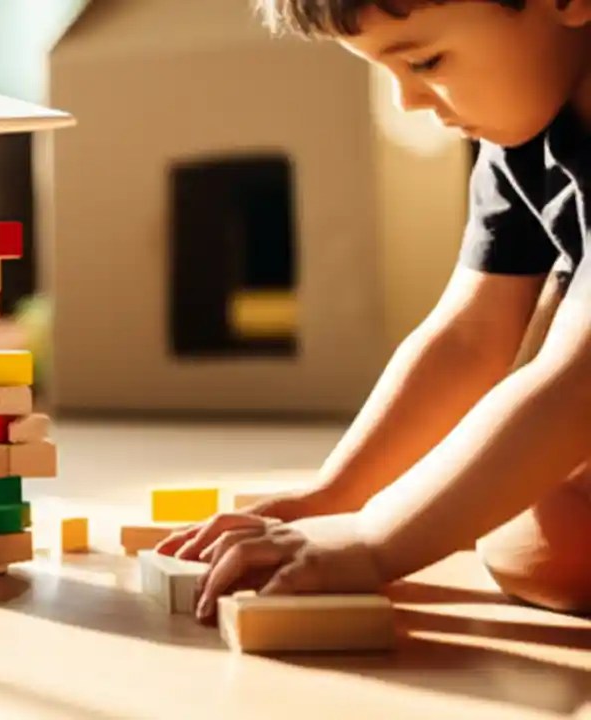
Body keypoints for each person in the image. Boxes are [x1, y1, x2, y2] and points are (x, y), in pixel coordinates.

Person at [156, 0, 591, 621]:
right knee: (528, 532)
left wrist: (373, 538)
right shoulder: (524, 130)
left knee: (540, 547)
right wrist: (335, 498)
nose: (406, 102)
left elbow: (577, 386)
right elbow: (469, 336)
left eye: (425, 61)